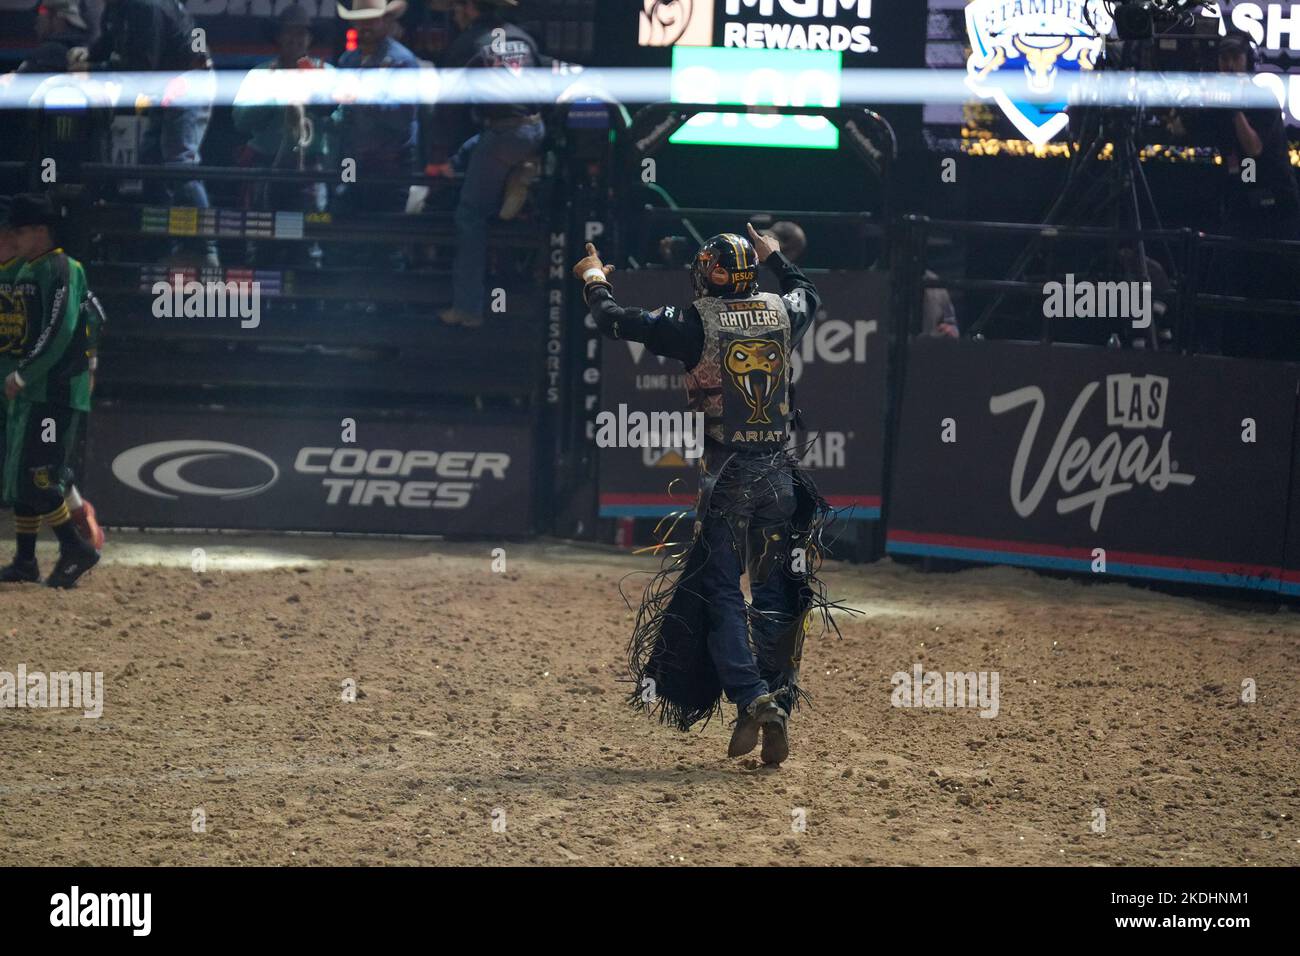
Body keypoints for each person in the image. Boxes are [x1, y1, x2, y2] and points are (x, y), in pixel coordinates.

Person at [573, 225, 841, 765]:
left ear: (714, 274)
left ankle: (752, 696)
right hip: (781, 476)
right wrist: (777, 257)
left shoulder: (695, 322)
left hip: (728, 474)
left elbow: (613, 320)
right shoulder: (781, 311)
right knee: (776, 592)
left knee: (719, 589)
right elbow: (809, 292)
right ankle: (776, 694)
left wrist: (595, 277)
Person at [0, 194, 100, 588]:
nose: (15, 238)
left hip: (55, 390)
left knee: (39, 476)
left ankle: (76, 548)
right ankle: (26, 559)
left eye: (20, 232)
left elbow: (58, 329)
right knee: (22, 477)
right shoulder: (27, 270)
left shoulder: (63, 268)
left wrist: (23, 374)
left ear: (39, 232)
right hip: (34, 391)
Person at [80, 0, 218, 266]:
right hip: (165, 83)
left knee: (179, 162)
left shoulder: (146, 5)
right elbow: (107, 43)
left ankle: (204, 249)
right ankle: (167, 246)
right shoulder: (118, 7)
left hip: (190, 78)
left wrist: (92, 70)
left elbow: (141, 66)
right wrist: (86, 56)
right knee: (150, 163)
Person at [433, 0, 546, 327]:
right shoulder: (523, 38)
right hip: (532, 128)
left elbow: (447, 103)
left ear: (469, 8)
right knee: (470, 153)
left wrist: (436, 158)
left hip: (504, 133)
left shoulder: (469, 43)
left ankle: (467, 308)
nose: (454, 13)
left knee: (469, 215)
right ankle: (521, 168)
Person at [335, 0, 421, 218]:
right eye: (359, 21)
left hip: (390, 164)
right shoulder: (348, 60)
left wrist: (362, 98)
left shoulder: (402, 62)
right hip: (352, 160)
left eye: (371, 20)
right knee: (347, 223)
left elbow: (403, 116)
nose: (365, 26)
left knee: (385, 231)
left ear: (385, 21)